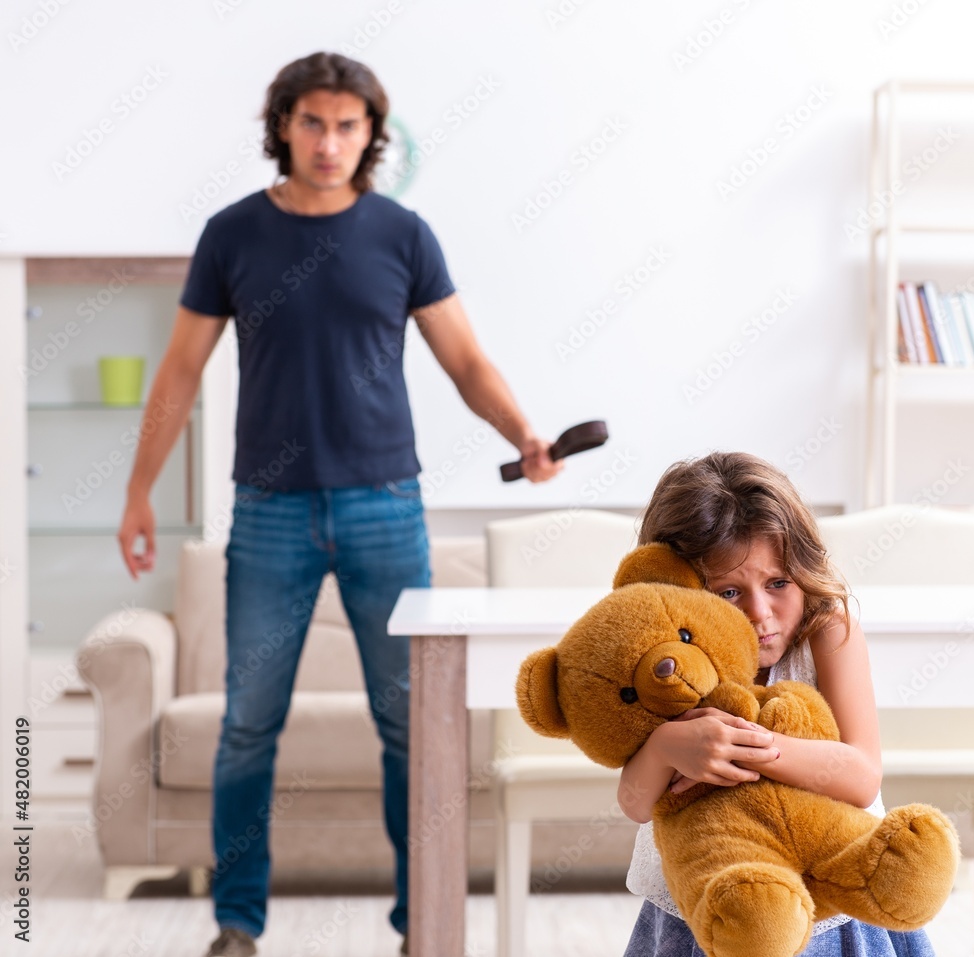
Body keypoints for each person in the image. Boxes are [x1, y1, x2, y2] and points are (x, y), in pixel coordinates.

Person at [116, 52, 562, 957]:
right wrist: (136, 491)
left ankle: (420, 925)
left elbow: (465, 361)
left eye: (349, 125)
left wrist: (523, 432)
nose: (330, 142)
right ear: (283, 126)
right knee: (247, 726)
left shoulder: (403, 234)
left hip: (387, 511)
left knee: (412, 727)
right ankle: (237, 924)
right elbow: (180, 370)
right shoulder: (232, 234)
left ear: (372, 134)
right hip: (270, 511)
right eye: (313, 123)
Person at [617, 451, 937, 957]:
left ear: (804, 571)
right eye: (727, 592)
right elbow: (635, 803)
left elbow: (860, 776)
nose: (760, 614)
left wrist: (750, 748)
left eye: (778, 583)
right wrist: (665, 747)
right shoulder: (669, 663)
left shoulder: (827, 634)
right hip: (707, 907)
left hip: (828, 905)